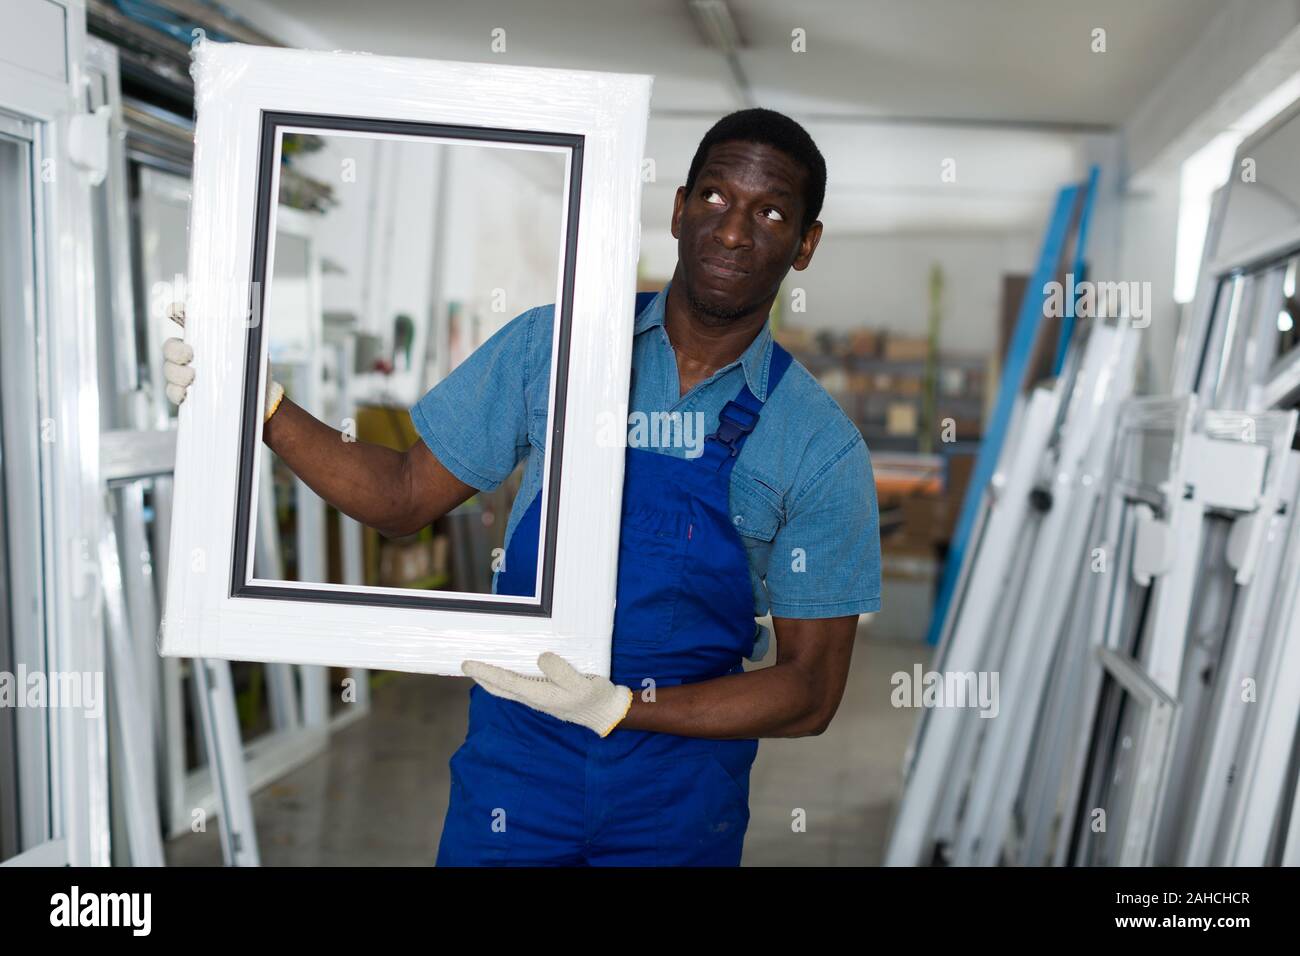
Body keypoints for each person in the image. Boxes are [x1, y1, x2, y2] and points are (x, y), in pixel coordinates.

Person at [164, 108, 881, 866]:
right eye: (713, 197)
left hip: (678, 794)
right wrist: (263, 408)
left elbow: (810, 691)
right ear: (676, 209)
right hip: (518, 771)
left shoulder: (819, 445)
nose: (733, 231)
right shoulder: (554, 346)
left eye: (770, 212)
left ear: (805, 245)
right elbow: (403, 494)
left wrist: (622, 708)